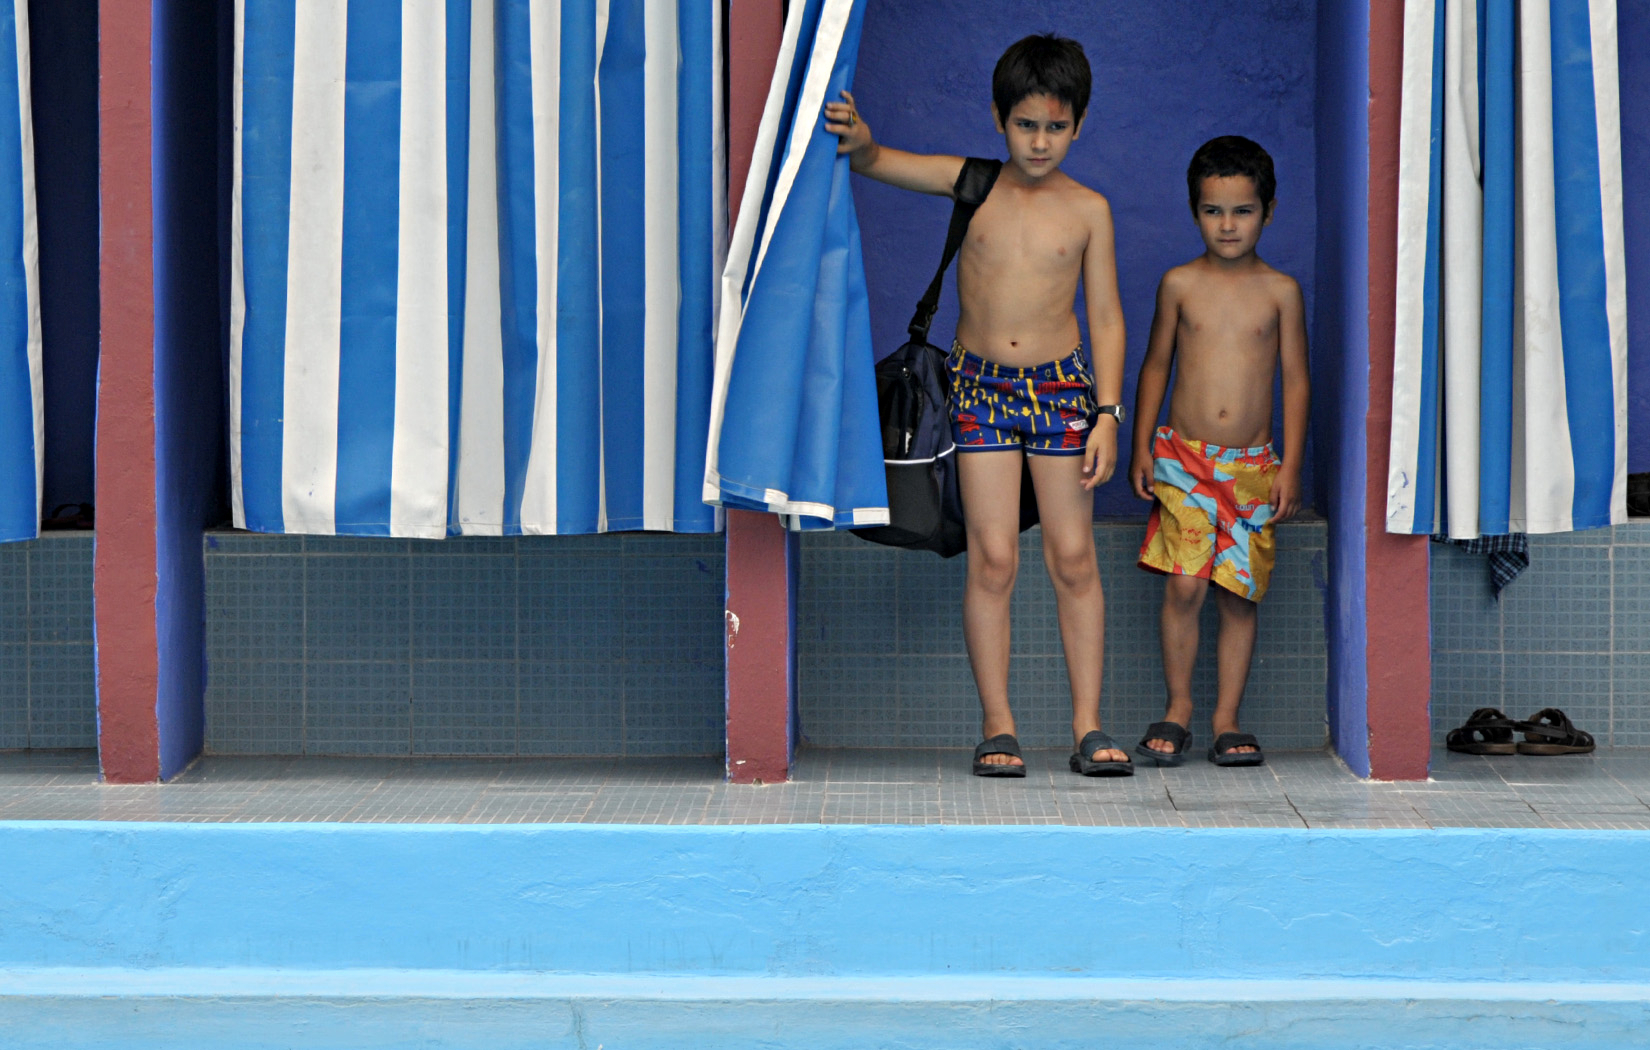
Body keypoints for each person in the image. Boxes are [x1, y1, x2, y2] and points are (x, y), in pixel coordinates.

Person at [825, 34, 1132, 777]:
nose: (1040, 141)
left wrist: (1108, 414)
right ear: (1000, 118)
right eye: (1027, 124)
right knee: (993, 559)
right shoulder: (974, 183)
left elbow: (1108, 317)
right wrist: (861, 140)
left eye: (1056, 127)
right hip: (980, 392)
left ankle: (1089, 726)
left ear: (1079, 126)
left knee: (1072, 557)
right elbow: (875, 161)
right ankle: (998, 725)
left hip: (1062, 394)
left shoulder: (1089, 210)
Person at [1128, 135, 1310, 768]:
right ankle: (1178, 708)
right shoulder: (1179, 284)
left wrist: (1290, 464)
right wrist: (1142, 447)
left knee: (1237, 594)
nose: (1228, 225)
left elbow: (1297, 380)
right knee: (1184, 587)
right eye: (1213, 211)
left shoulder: (1281, 291)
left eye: (1242, 211)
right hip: (1184, 461)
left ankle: (1226, 718)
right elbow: (1155, 367)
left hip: (1253, 470)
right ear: (1193, 210)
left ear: (1269, 210)